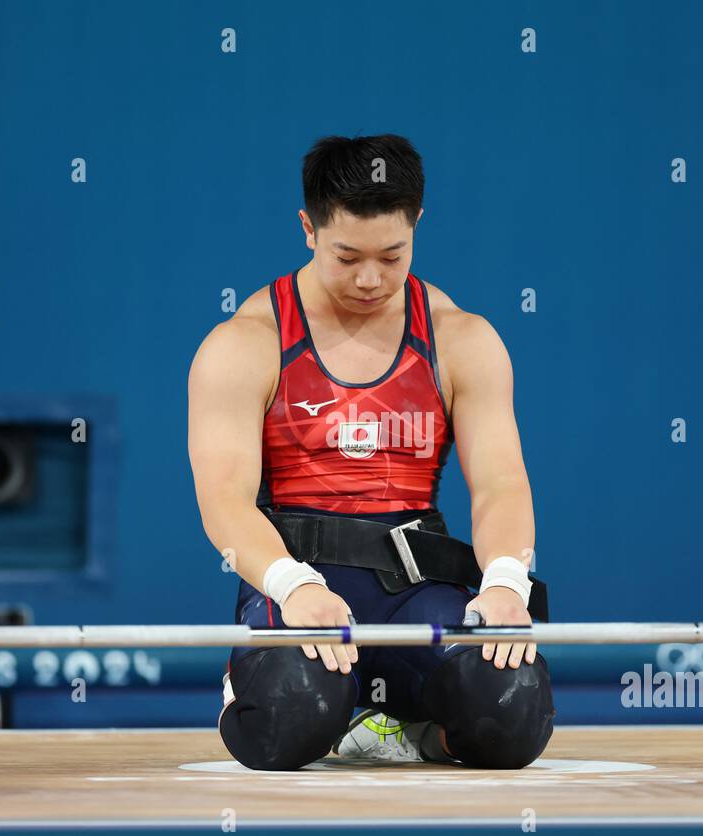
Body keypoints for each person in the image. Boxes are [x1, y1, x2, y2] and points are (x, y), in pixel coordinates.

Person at [187, 134, 554, 771]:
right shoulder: (246, 342)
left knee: (513, 710)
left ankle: (408, 736)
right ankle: (284, 694)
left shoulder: (462, 339)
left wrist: (503, 584)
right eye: (347, 256)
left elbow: (500, 484)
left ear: (417, 224)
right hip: (303, 581)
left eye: (392, 255)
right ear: (307, 228)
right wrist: (294, 586)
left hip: (418, 592)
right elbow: (222, 500)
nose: (370, 279)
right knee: (286, 718)